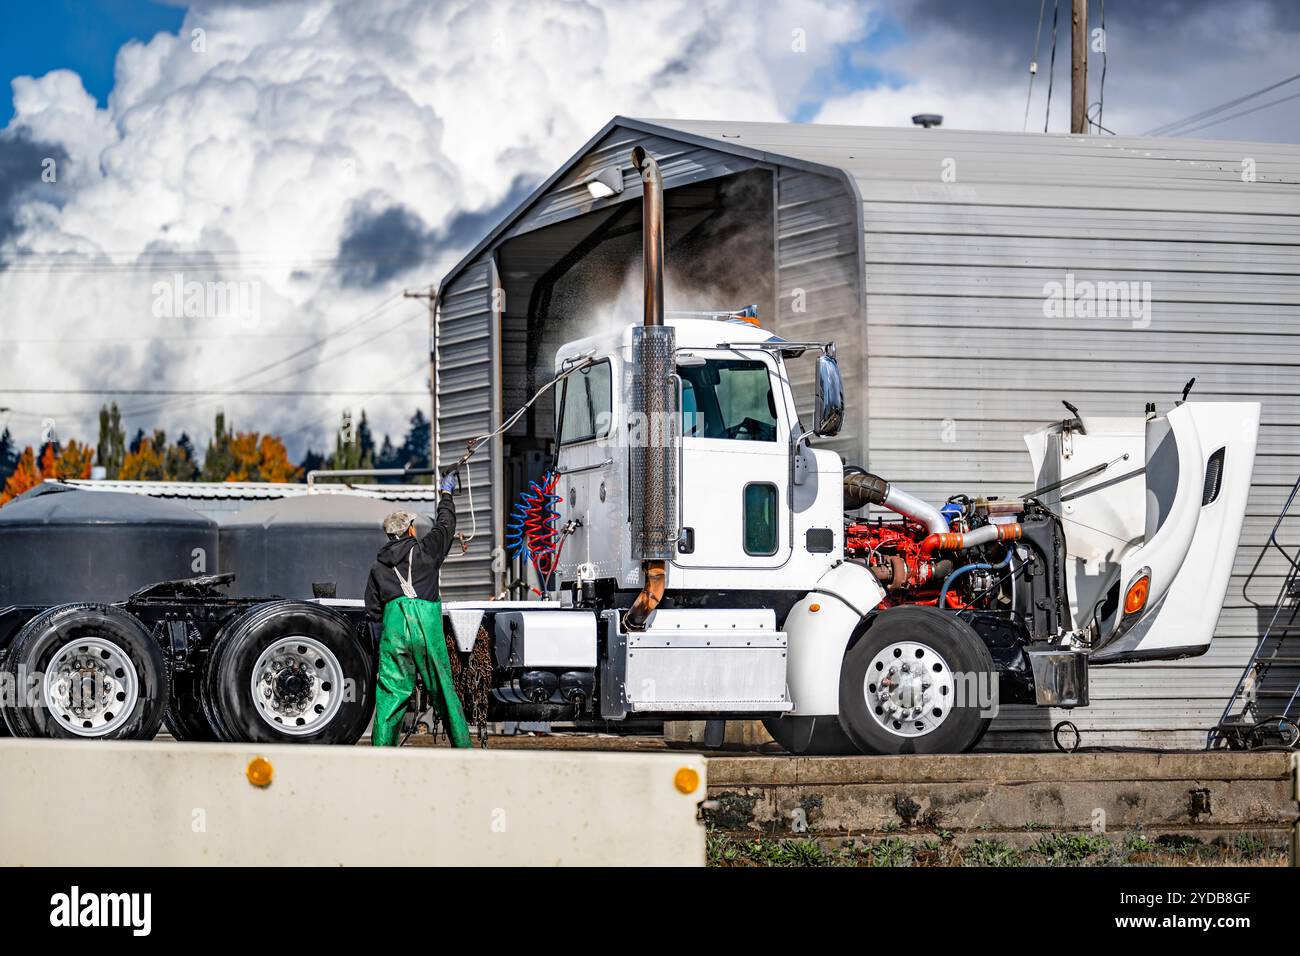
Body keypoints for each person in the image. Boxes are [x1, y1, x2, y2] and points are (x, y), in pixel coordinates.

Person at [365, 470, 471, 747]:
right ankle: (466, 752)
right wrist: (446, 494)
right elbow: (445, 526)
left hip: (394, 634)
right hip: (426, 630)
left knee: (390, 698)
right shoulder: (425, 552)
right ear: (410, 530)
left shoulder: (378, 568)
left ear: (389, 535)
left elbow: (374, 612)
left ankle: (379, 758)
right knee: (445, 695)